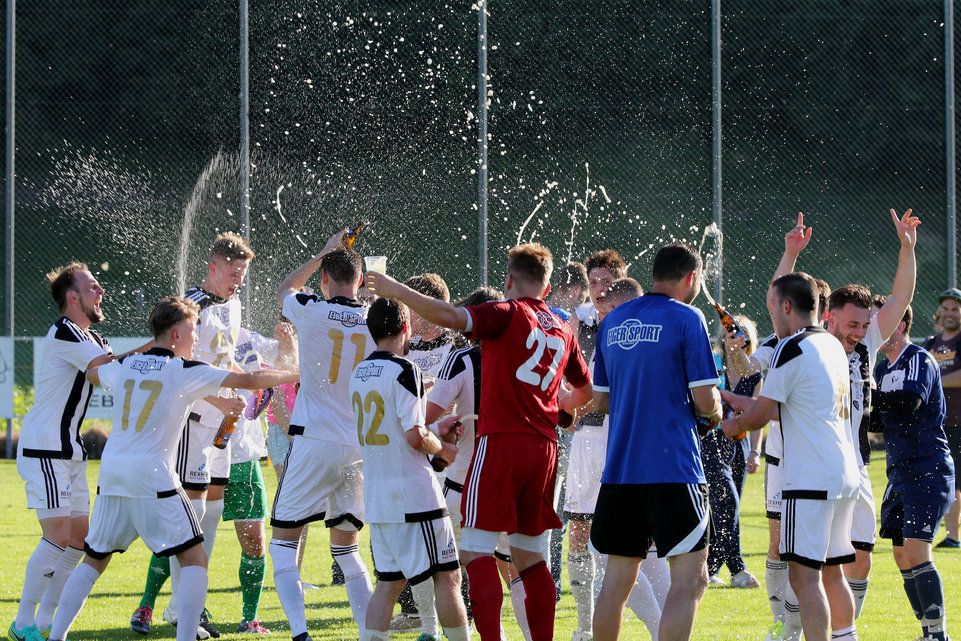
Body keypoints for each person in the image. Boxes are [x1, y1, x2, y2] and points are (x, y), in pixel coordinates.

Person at [366, 242, 594, 641]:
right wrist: (560, 410)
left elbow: (452, 316)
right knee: (530, 558)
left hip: (501, 443)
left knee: (474, 552)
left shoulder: (506, 313)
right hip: (544, 450)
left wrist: (397, 290)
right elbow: (586, 392)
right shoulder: (563, 329)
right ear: (547, 284)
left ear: (508, 280)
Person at [46, 296, 298, 641]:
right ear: (177, 334)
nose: (197, 338)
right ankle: (184, 636)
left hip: (112, 473)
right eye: (193, 330)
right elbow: (251, 380)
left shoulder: (128, 366)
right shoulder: (183, 369)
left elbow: (94, 372)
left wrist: (123, 356)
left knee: (94, 559)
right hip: (153, 476)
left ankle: (56, 636)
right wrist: (300, 373)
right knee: (195, 558)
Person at [590, 243, 722, 641]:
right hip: (673, 469)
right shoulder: (687, 317)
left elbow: (600, 401)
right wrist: (715, 415)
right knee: (691, 579)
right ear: (691, 278)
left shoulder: (613, 322)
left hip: (621, 471)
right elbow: (705, 399)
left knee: (616, 583)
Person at [722, 272, 860, 641]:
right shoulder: (831, 344)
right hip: (843, 474)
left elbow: (762, 416)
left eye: (772, 308)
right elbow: (797, 409)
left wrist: (729, 426)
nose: (772, 318)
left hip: (810, 478)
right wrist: (741, 403)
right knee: (831, 572)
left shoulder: (792, 347)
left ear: (786, 306)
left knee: (803, 576)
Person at [132, 232, 255, 639]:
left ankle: (182, 603)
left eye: (243, 274)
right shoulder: (191, 306)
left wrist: (241, 387)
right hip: (192, 424)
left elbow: (224, 356)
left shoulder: (233, 304)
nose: (238, 280)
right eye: (233, 272)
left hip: (222, 426)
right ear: (213, 267)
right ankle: (181, 607)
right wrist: (220, 401)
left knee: (210, 515)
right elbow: (174, 363)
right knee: (190, 514)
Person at [269, 231, 374, 641]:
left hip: (314, 440)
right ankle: (370, 633)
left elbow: (285, 289)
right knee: (347, 550)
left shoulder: (310, 308)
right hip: (359, 446)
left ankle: (299, 633)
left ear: (325, 279)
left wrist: (321, 253)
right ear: (361, 282)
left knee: (282, 541)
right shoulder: (374, 317)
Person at [350, 297, 471, 641]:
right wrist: (443, 447)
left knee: (388, 583)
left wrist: (436, 432)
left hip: (378, 497)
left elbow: (396, 429)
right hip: (414, 496)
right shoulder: (405, 369)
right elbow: (415, 436)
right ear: (406, 328)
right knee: (448, 576)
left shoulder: (359, 372)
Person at [823, 209, 919, 618]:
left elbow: (901, 298)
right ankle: (792, 627)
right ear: (829, 317)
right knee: (812, 564)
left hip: (858, 466)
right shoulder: (811, 345)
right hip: (818, 467)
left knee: (861, 559)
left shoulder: (866, 346)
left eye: (864, 326)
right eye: (852, 325)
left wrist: (906, 249)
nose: (858, 333)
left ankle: (844, 629)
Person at [10, 263, 114, 641]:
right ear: (73, 297)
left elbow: (112, 371)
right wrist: (156, 346)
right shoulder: (65, 331)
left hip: (69, 451)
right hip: (45, 450)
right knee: (57, 535)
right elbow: (104, 370)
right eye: (93, 286)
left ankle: (45, 623)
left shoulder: (95, 339)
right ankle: (22, 622)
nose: (100, 291)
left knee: (80, 540)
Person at [425, 286, 533, 641]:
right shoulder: (526, 353)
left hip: (465, 485)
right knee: (518, 570)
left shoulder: (463, 359)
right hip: (516, 484)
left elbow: (427, 418)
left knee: (455, 572)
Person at [566, 277, 667, 641]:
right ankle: (664, 630)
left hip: (614, 446)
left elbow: (598, 398)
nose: (600, 299)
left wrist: (559, 406)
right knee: (639, 548)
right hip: (638, 449)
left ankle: (661, 630)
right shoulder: (646, 332)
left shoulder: (618, 337)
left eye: (607, 296)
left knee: (613, 550)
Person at [874, 304, 955, 641]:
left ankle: (938, 635)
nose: (874, 329)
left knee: (917, 549)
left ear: (902, 324)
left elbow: (910, 401)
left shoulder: (918, 358)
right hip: (899, 473)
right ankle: (926, 631)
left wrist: (868, 397)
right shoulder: (879, 368)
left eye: (882, 322)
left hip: (928, 467)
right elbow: (875, 420)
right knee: (899, 552)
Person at [393, 273, 463, 640]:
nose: (410, 312)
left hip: (448, 449)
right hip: (416, 449)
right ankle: (421, 617)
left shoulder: (455, 344)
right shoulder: (407, 349)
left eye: (415, 304)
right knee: (417, 540)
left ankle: (454, 610)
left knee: (450, 542)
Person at [705, 315, 762, 589]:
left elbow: (756, 413)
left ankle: (710, 568)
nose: (735, 340)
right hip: (712, 441)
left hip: (739, 445)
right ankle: (737, 569)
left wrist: (755, 451)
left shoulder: (754, 374)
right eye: (731, 335)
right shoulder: (713, 364)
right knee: (726, 501)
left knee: (728, 507)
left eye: (741, 336)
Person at [925, 287, 961, 549]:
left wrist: (935, 381)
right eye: (946, 308)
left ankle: (953, 537)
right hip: (937, 422)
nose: (950, 313)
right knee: (938, 477)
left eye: (956, 309)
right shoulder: (931, 343)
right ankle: (942, 533)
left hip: (959, 421)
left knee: (956, 478)